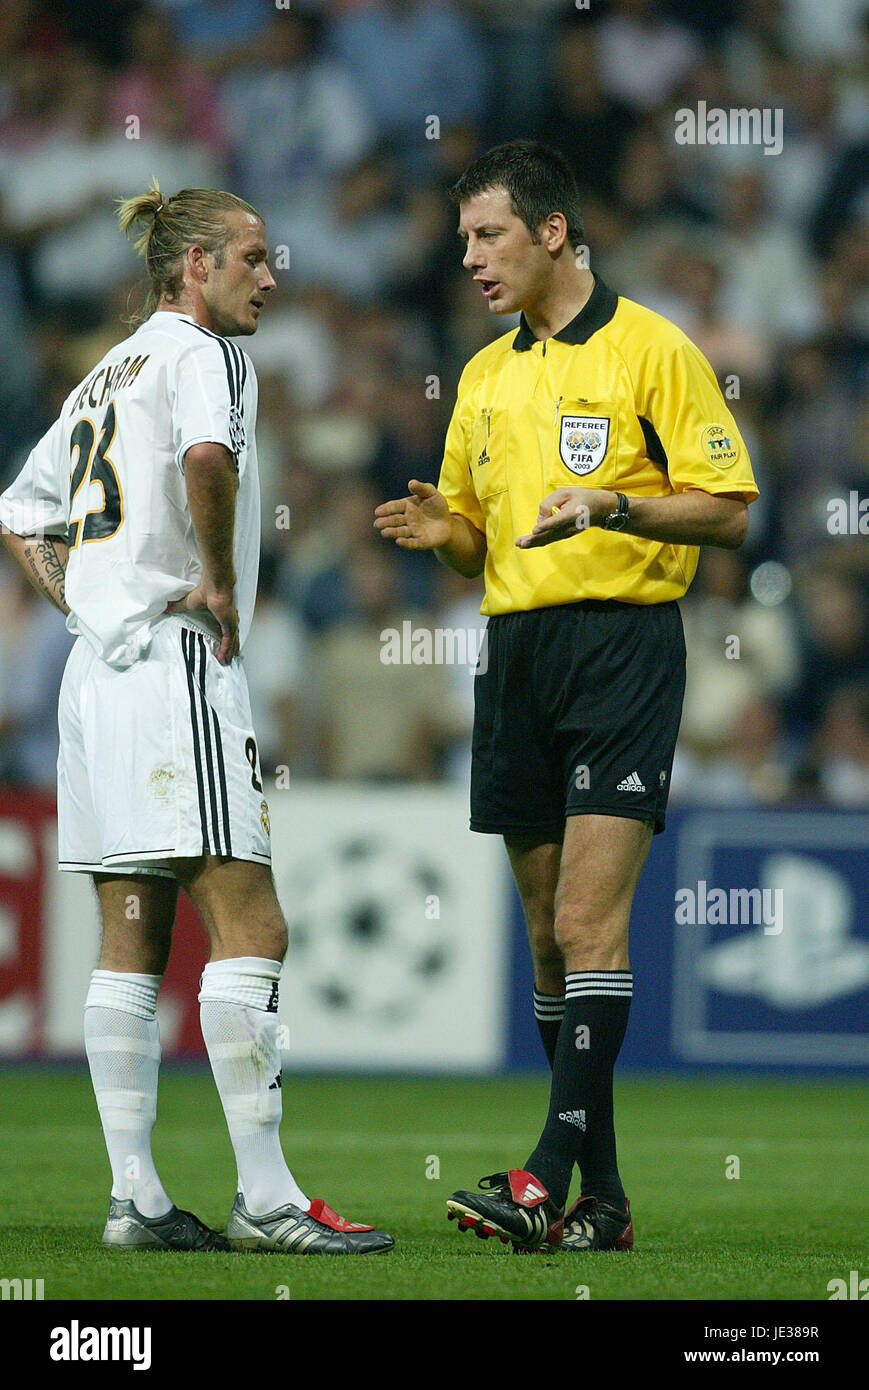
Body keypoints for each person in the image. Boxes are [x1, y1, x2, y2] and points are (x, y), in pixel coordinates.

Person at [375, 140, 758, 1252]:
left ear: (550, 231)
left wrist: (613, 507)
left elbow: (726, 506)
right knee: (548, 940)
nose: (469, 259)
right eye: (460, 241)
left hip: (619, 645)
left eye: (486, 235)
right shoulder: (485, 374)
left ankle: (541, 1176)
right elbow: (473, 539)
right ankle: (605, 1199)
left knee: (590, 921)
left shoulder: (651, 347)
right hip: (514, 654)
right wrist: (447, 535)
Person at [0, 182, 393, 1256]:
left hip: (97, 671)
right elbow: (207, 461)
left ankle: (134, 1196)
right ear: (195, 268)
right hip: (174, 658)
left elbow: (20, 513)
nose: (270, 278)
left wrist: (84, 605)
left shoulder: (101, 372)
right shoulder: (206, 357)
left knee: (130, 939)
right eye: (252, 258)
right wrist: (215, 581)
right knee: (252, 923)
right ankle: (265, 1196)